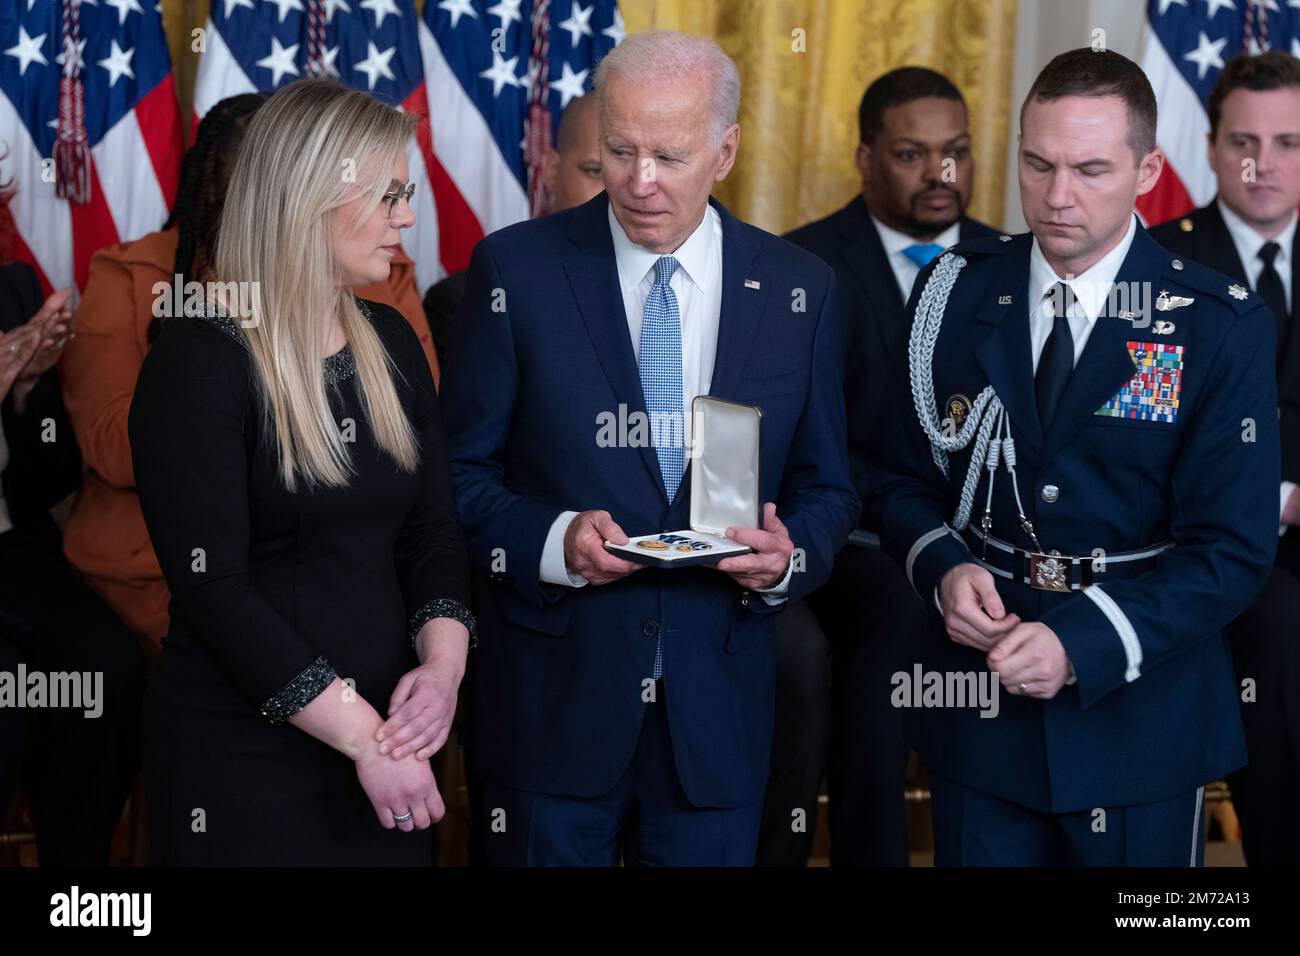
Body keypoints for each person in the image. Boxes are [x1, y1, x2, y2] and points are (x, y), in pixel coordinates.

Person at [440, 30, 858, 866]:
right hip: (553, 709)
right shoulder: (513, 273)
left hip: (720, 715)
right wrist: (555, 543)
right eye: (619, 150)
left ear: (725, 150)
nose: (639, 182)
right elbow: (457, 479)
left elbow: (830, 489)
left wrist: (785, 560)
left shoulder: (798, 288)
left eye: (668, 155)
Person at [879, 48, 1279, 865]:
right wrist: (944, 568)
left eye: (1091, 169)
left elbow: (1233, 547)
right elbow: (893, 479)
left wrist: (1081, 645)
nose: (1057, 197)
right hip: (979, 706)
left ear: (1147, 170)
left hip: (1141, 715)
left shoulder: (1215, 322)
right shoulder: (951, 290)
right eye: (1038, 163)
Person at [129, 79, 474, 865]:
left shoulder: (389, 339)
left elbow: (433, 533)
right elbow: (215, 591)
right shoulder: (198, 360)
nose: (409, 219)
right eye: (389, 196)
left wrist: (442, 667)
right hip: (245, 760)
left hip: (391, 744)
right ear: (309, 195)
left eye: (408, 195)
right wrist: (367, 742)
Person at [60, 93, 435, 656]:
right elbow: (114, 449)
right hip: (155, 578)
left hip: (346, 581)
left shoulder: (377, 281)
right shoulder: (137, 280)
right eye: (248, 175)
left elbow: (415, 434)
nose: (253, 198)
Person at [779, 66, 997, 867]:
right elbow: (803, 446)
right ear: (866, 158)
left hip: (994, 540)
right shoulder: (803, 267)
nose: (941, 175)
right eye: (913, 154)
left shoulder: (1015, 264)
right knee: (901, 621)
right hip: (857, 540)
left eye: (957, 152)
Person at [1150, 50, 1300, 866]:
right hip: (1206, 541)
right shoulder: (1160, 269)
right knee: (1277, 632)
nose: (1264, 163)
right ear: (1208, 148)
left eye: (1288, 142)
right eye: (1245, 140)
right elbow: (1144, 435)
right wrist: (1274, 499)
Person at [0, 183, 145, 865]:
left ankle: (76, 883)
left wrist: (27, 393)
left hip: (15, 552)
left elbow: (52, 478)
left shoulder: (16, 287)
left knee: (108, 664)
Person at [422, 94, 604, 369]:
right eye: (595, 170)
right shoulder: (469, 300)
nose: (613, 192)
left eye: (626, 170)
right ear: (552, 169)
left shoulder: (669, 288)